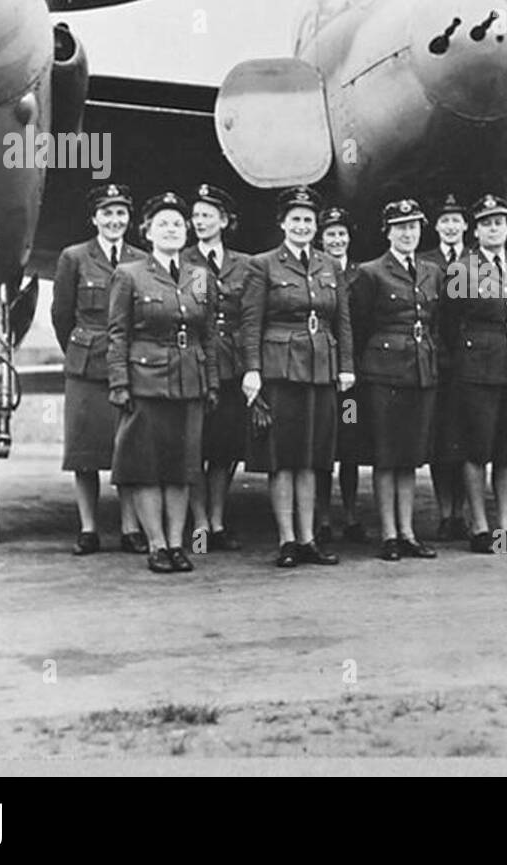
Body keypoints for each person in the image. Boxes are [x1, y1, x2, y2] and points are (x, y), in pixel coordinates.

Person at [241, 186, 354, 569]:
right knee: (282, 459)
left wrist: (346, 366)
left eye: (309, 220)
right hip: (280, 369)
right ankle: (286, 539)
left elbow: (342, 321)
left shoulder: (329, 265)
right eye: (296, 220)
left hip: (321, 370)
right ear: (282, 224)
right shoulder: (263, 265)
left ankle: (308, 539)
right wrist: (252, 369)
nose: (303, 225)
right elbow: (251, 322)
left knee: (312, 458)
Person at [107, 192, 219, 574]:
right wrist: (120, 384)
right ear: (147, 231)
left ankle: (177, 543)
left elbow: (208, 330)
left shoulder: (200, 276)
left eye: (177, 223)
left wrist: (212, 381)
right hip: (146, 380)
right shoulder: (130, 274)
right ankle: (156, 544)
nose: (171, 229)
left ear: (187, 230)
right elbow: (117, 333)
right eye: (162, 224)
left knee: (183, 468)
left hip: (190, 379)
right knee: (147, 468)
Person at [51, 182, 146, 556]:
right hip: (87, 366)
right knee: (84, 454)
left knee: (129, 451)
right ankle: (88, 529)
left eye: (121, 213)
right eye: (107, 213)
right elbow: (61, 313)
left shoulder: (141, 257)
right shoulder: (73, 257)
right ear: (94, 218)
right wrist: (79, 348)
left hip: (129, 364)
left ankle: (130, 528)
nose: (114, 220)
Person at [349, 199, 444, 562]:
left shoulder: (432, 271)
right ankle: (389, 533)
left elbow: (436, 321)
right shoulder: (371, 273)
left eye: (414, 227)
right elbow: (359, 327)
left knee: (410, 457)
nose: (408, 233)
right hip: (384, 374)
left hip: (421, 371)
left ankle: (408, 531)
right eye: (401, 227)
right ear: (387, 232)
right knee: (386, 458)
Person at [441, 194, 507, 554]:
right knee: (476, 450)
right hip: (476, 369)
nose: (494, 229)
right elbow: (450, 324)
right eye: (486, 223)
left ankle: (506, 528)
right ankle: (480, 528)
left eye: (499, 222)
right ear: (476, 231)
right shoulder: (461, 269)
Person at [181, 183, 249, 552]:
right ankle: (201, 526)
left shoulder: (243, 264)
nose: (200, 221)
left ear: (224, 220)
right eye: (196, 216)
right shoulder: (185, 261)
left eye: (208, 215)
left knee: (225, 449)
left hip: (232, 367)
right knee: (194, 448)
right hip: (196, 363)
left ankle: (218, 521)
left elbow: (250, 317)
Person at [314, 205, 367, 545]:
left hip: (352, 379)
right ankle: (320, 518)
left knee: (349, 444)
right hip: (320, 372)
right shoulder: (316, 272)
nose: (336, 240)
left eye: (341, 234)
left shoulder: (362, 276)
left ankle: (350, 514)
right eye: (330, 234)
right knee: (321, 443)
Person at [420, 194, 470, 541]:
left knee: (467, 438)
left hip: (472, 361)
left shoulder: (477, 261)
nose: (451, 227)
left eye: (457, 221)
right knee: (441, 440)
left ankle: (463, 513)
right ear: (437, 227)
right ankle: (444, 511)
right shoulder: (424, 263)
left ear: (466, 226)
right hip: (438, 360)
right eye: (445, 221)